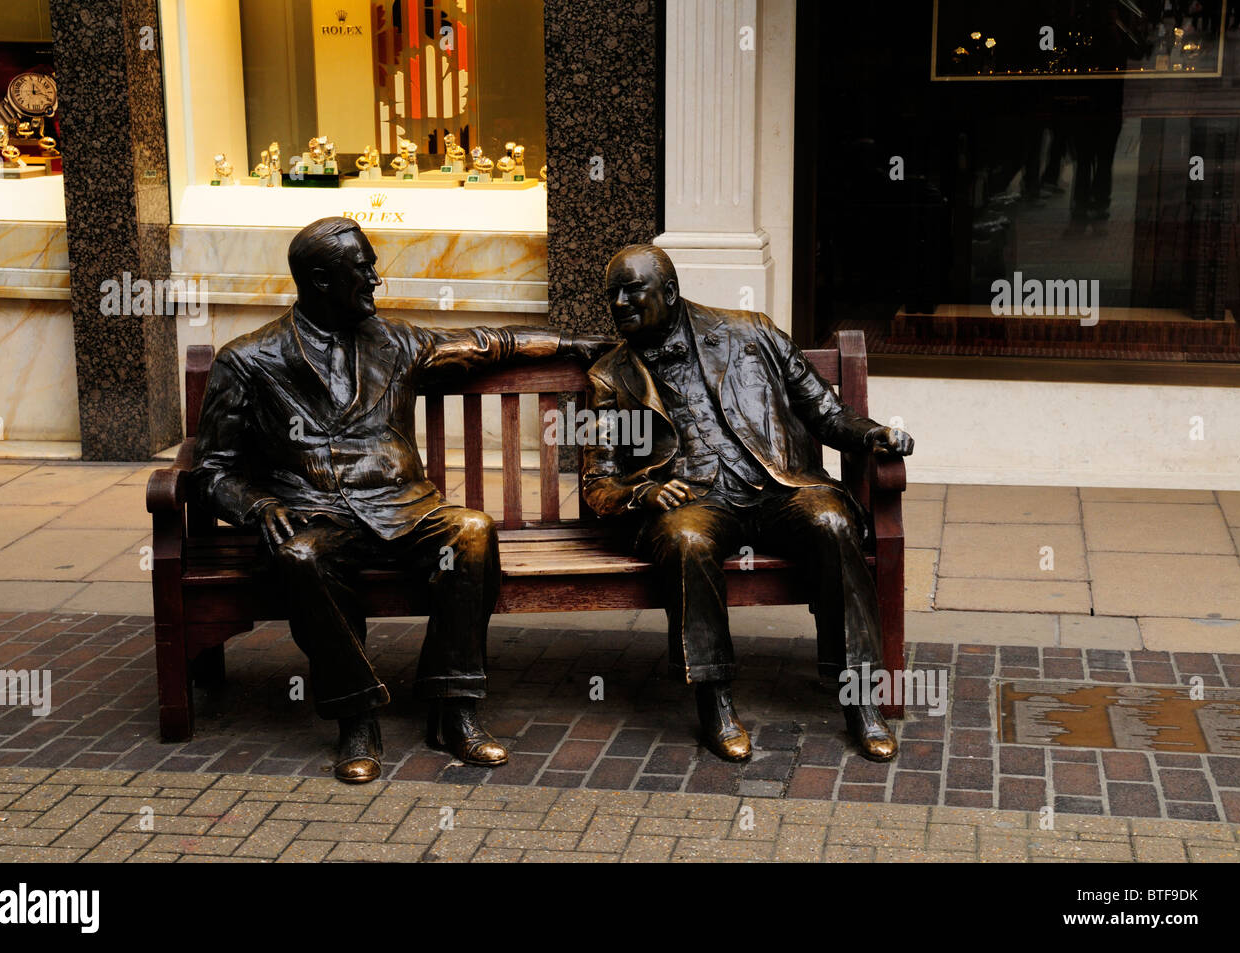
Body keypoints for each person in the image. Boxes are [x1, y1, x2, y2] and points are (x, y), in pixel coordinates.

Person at [193, 216, 610, 783]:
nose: (375, 280)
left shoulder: (395, 341)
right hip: (320, 518)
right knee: (300, 558)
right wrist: (258, 506)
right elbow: (213, 469)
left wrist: (572, 345)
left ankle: (454, 708)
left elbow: (490, 344)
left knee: (471, 532)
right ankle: (357, 718)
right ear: (319, 280)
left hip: (405, 510)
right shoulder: (249, 358)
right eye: (362, 270)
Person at [581, 244, 914, 762]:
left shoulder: (751, 332)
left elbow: (826, 412)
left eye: (633, 291)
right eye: (612, 294)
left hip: (779, 487)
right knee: (686, 538)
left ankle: (860, 702)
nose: (620, 303)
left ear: (669, 293)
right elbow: (597, 482)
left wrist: (875, 435)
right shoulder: (609, 376)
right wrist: (643, 492)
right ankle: (715, 703)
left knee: (830, 520)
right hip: (695, 499)